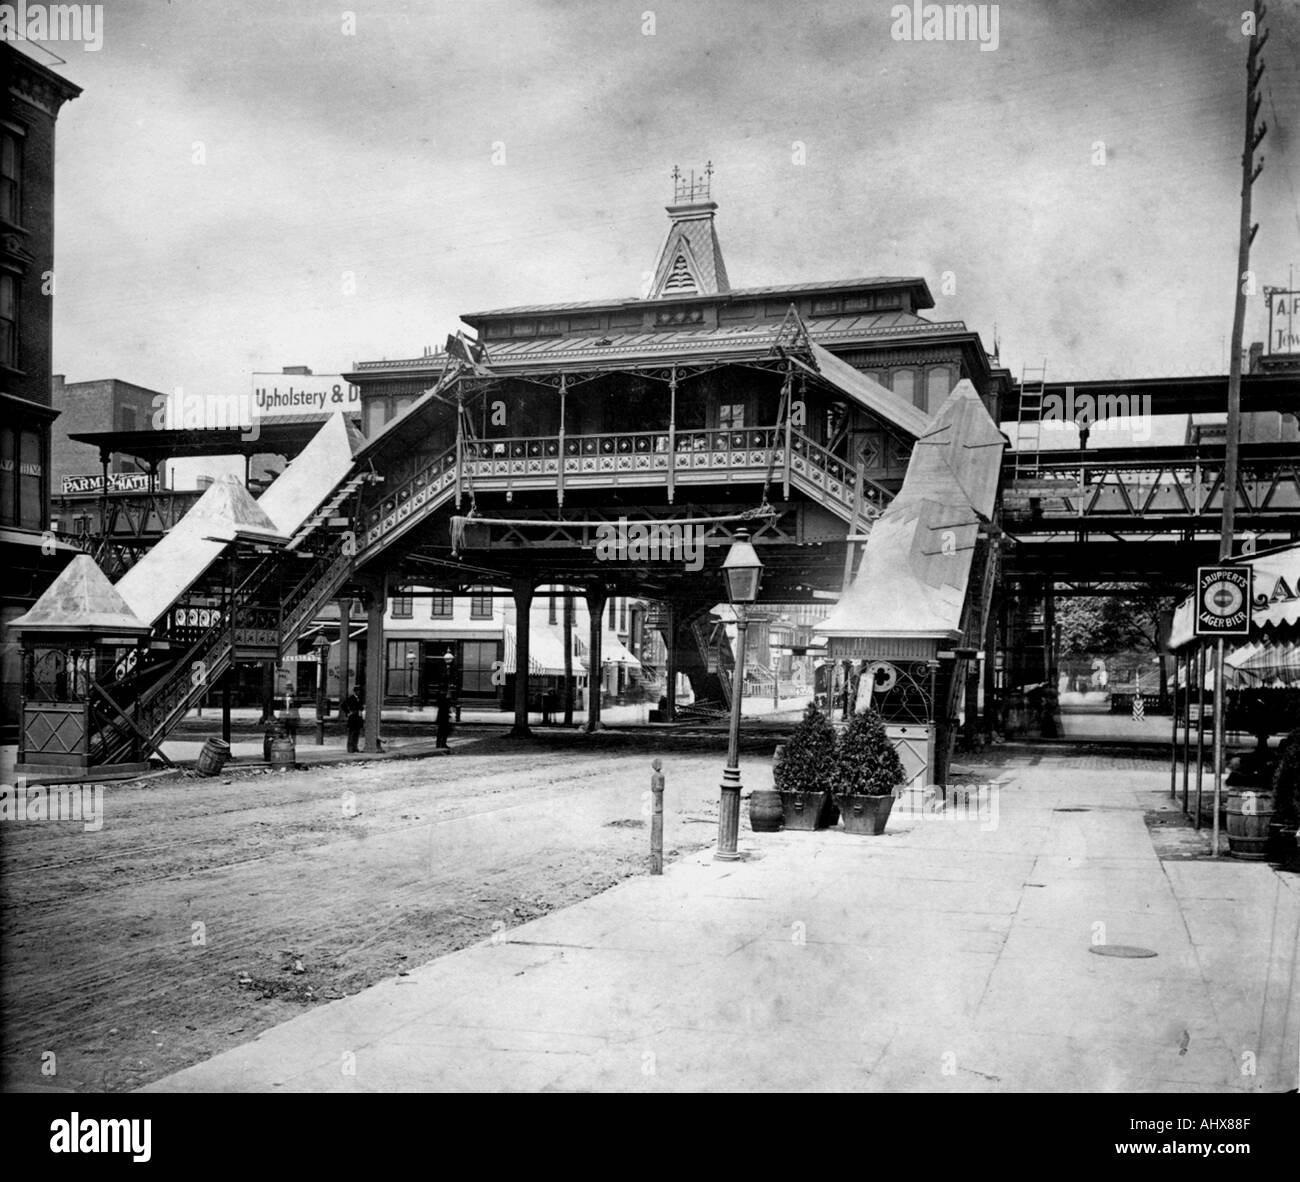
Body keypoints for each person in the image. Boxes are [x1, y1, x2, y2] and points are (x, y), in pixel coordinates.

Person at [342, 686, 364, 753]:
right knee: (351, 733)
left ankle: (355, 747)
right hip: (353, 718)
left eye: (359, 691)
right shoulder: (351, 698)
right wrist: (348, 712)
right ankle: (350, 748)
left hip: (358, 717)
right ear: (355, 691)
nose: (359, 692)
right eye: (357, 691)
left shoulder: (359, 699)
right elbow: (343, 705)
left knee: (356, 733)